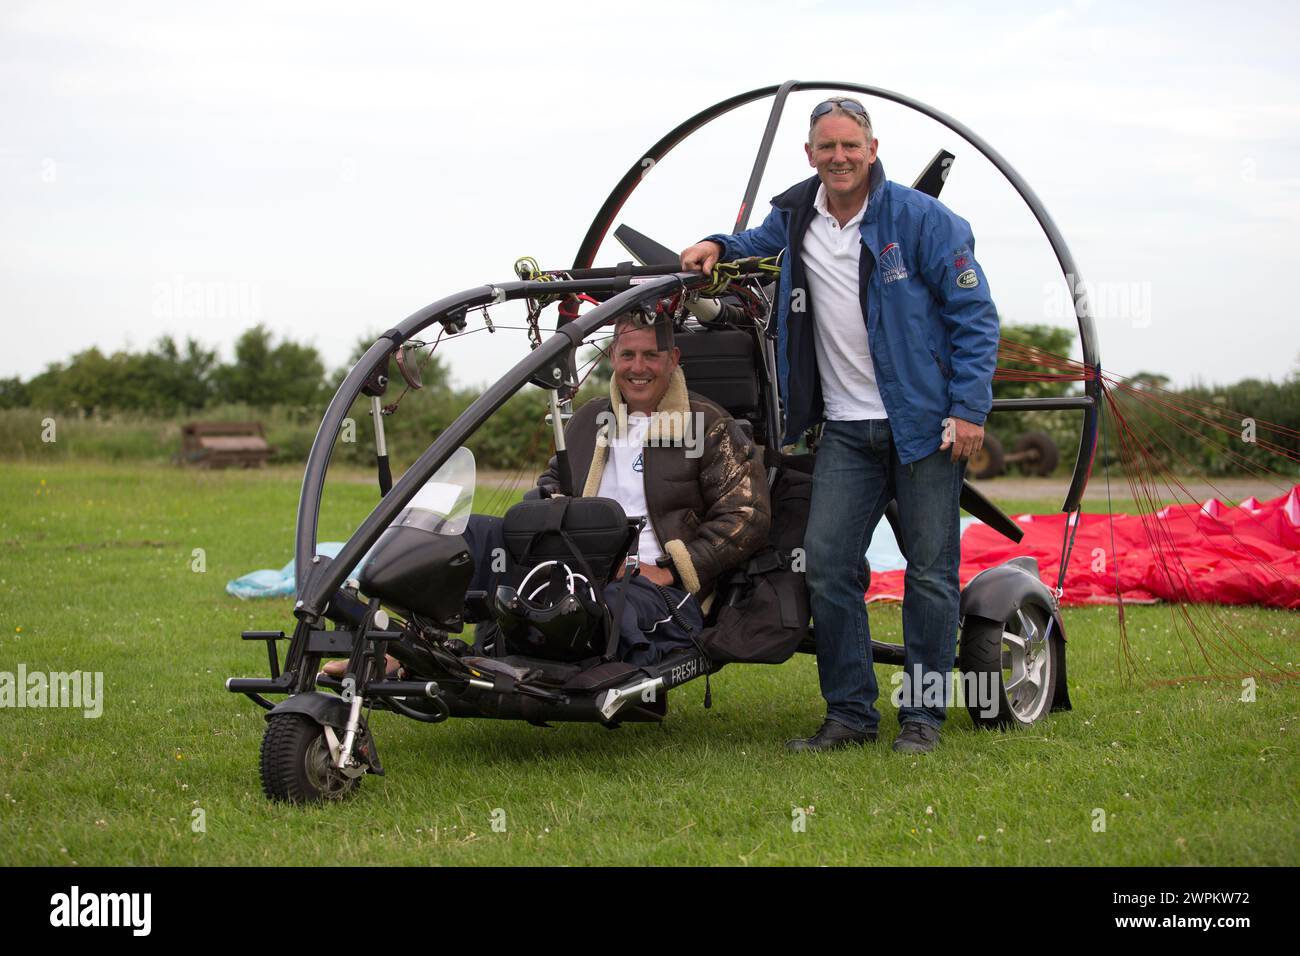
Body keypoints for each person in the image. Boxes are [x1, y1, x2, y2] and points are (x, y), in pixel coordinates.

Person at [680, 97, 1000, 753]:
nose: (839, 157)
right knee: (827, 565)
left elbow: (975, 319)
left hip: (923, 429)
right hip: (848, 432)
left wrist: (968, 408)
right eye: (826, 147)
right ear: (810, 155)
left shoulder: (926, 222)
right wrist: (715, 242)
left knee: (931, 574)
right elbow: (754, 245)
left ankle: (923, 718)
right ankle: (851, 713)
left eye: (850, 145)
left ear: (872, 149)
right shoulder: (795, 215)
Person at [325, 309, 770, 676]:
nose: (638, 368)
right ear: (612, 355)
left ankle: (531, 649)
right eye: (628, 354)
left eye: (651, 355)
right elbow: (552, 482)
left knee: (603, 608)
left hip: (652, 584)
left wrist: (673, 569)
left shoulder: (706, 424)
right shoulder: (590, 419)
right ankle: (398, 648)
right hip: (574, 559)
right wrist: (548, 506)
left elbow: (746, 515)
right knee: (466, 538)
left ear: (673, 358)